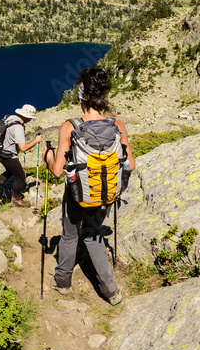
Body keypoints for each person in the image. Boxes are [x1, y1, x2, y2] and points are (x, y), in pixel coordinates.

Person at [42, 66, 135, 305]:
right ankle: (111, 291)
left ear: (82, 96)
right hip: (105, 193)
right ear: (104, 97)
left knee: (70, 235)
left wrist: (48, 156)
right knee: (93, 234)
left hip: (76, 194)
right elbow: (130, 164)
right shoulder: (118, 125)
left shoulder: (70, 127)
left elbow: (56, 170)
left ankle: (62, 281)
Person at [0, 104, 42, 208]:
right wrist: (36, 140)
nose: (30, 120)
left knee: (10, 171)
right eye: (30, 117)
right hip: (8, 155)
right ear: (27, 116)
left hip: (0, 152)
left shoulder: (10, 117)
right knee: (20, 177)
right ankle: (16, 199)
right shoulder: (18, 127)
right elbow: (23, 148)